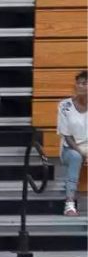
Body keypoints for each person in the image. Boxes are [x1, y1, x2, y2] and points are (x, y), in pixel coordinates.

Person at [58, 70, 86, 217]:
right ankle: (69, 204)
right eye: (79, 83)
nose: (81, 86)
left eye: (85, 83)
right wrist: (82, 153)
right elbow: (67, 136)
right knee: (76, 157)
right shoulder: (65, 105)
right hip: (70, 148)